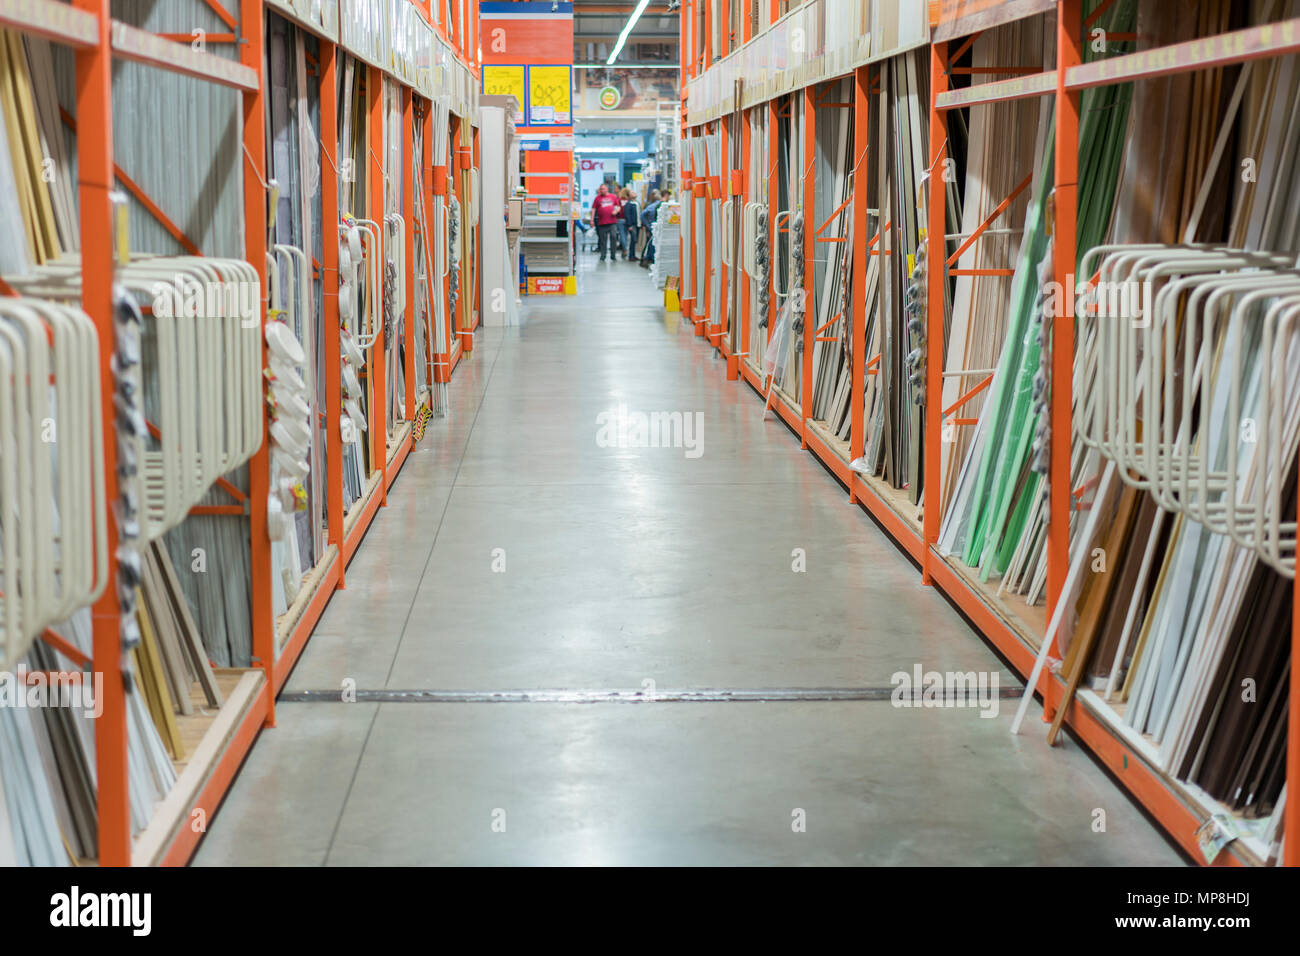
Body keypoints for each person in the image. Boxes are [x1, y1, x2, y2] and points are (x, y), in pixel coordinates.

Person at [590, 182, 622, 262]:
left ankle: (613, 255)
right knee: (603, 240)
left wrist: (616, 211)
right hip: (602, 222)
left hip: (612, 222)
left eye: (603, 189)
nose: (601, 190)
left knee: (614, 237)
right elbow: (593, 209)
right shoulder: (597, 198)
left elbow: (618, 207)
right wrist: (592, 220)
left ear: (607, 189)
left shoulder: (613, 197)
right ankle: (603, 255)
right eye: (600, 189)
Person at [640, 189, 662, 267]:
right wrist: (648, 225)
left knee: (649, 243)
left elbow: (643, 215)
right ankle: (648, 258)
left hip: (651, 227)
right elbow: (642, 215)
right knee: (651, 243)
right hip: (653, 227)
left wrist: (647, 224)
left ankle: (646, 259)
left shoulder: (650, 205)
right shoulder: (656, 205)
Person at [619, 188, 640, 262]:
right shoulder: (629, 204)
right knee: (633, 240)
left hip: (638, 224)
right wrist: (630, 225)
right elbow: (627, 215)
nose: (634, 193)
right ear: (629, 195)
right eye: (632, 192)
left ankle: (633, 255)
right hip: (633, 224)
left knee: (635, 240)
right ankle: (631, 255)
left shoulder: (637, 203)